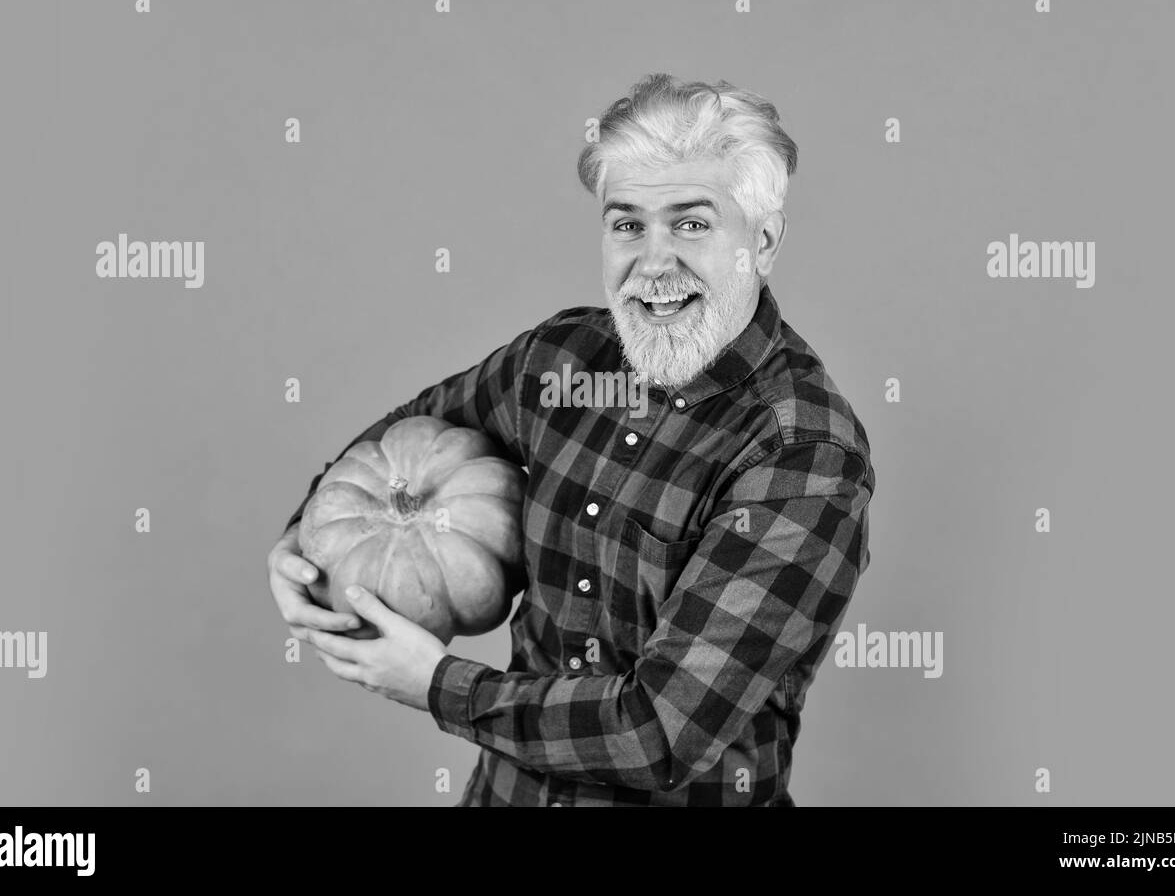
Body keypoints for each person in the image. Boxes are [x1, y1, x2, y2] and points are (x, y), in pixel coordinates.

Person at [266, 73, 875, 806]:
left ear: (764, 240)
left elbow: (657, 735)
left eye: (691, 224)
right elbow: (404, 441)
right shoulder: (559, 360)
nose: (653, 263)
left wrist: (436, 686)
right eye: (627, 224)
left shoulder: (801, 453)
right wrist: (308, 539)